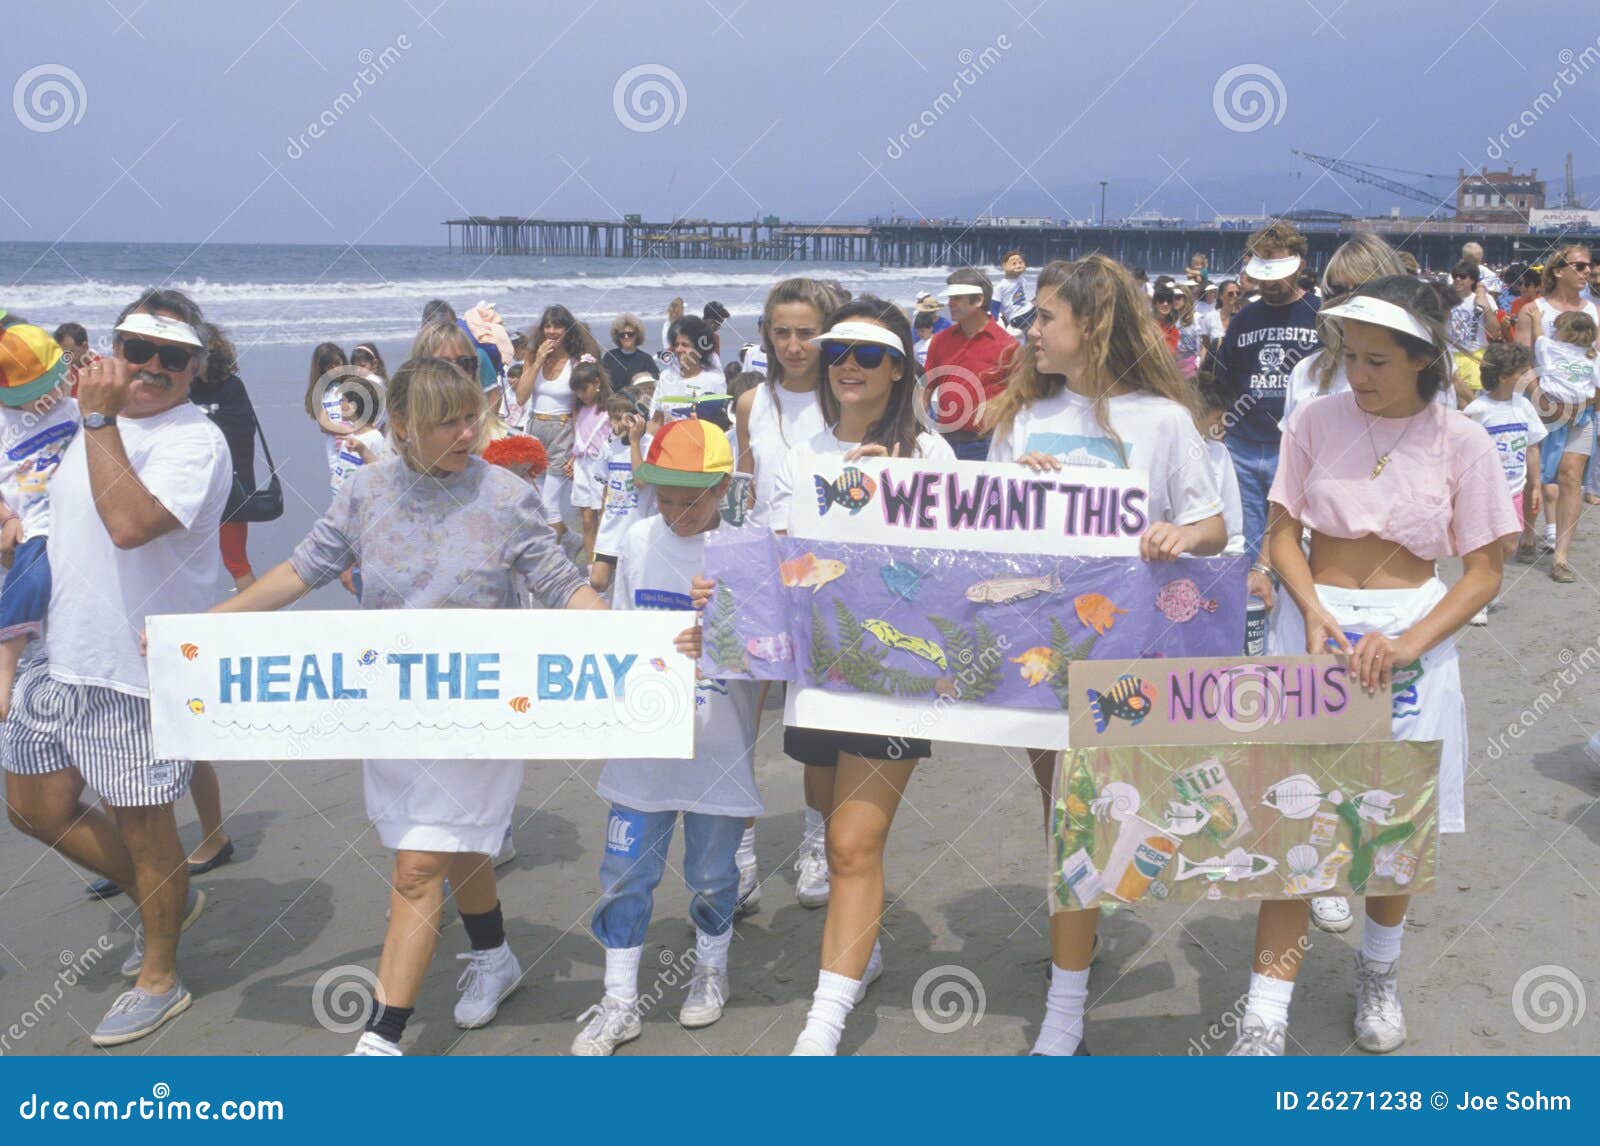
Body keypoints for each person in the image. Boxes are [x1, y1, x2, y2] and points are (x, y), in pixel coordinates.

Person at [213, 356, 606, 1056]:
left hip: (478, 704)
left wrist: (638, 644)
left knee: (418, 865)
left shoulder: (505, 494)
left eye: (471, 416)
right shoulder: (366, 492)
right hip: (392, 705)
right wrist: (215, 624)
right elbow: (303, 568)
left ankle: (382, 1037)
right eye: (446, 421)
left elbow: (559, 584)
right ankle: (493, 956)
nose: (467, 433)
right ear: (401, 427)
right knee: (455, 843)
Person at [1233, 276, 1516, 1056]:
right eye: (1351, 355)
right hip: (1312, 626)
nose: (1359, 374)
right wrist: (1313, 610)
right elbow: (1283, 530)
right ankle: (1265, 1011)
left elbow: (1485, 570)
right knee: (1294, 814)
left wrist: (1411, 642)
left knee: (1395, 823)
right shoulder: (1316, 421)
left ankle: (1379, 970)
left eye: (1379, 360)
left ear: (1426, 360)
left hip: (1410, 638)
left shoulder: (1464, 442)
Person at [985, 255, 1227, 1055]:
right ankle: (1081, 936)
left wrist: (1179, 535)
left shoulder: (1162, 420)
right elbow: (981, 528)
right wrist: (1015, 485)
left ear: (1090, 327)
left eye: (1045, 318)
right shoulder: (1023, 417)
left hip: (1125, 648)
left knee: (1080, 812)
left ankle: (1064, 1008)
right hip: (1036, 644)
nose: (1031, 332)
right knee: (1060, 805)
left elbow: (1213, 525)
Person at [3, 289, 231, 1047]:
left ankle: (160, 975)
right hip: (55, 651)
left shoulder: (193, 440)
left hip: (130, 668)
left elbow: (130, 526)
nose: (154, 367)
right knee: (32, 809)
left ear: (196, 369)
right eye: (139, 350)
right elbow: (43, 510)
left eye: (174, 358)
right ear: (114, 349)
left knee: (144, 821)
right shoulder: (76, 426)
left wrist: (99, 420)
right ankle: (165, 893)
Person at [742, 297, 954, 1056]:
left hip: (892, 675)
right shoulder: (799, 451)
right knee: (836, 837)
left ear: (899, 368)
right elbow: (771, 555)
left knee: (854, 846)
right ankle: (863, 946)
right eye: (838, 354)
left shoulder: (930, 457)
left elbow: (959, 571)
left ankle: (819, 1031)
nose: (849, 367)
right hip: (820, 673)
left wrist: (897, 494)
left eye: (868, 355)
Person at [571, 419, 762, 1055]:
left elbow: (776, 656)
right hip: (643, 745)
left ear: (722, 488)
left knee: (711, 874)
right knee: (625, 872)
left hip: (718, 747)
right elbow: (621, 633)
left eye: (692, 498)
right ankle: (619, 999)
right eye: (665, 496)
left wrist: (726, 635)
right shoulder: (637, 537)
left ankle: (711, 966)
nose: (677, 512)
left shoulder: (748, 551)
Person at [1215, 220, 1321, 582]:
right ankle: (1252, 621)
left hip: (1294, 448)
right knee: (1245, 541)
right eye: (1264, 274)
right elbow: (1222, 379)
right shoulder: (1244, 319)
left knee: (1291, 542)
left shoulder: (1320, 316)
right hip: (1241, 444)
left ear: (1300, 265)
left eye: (1278, 273)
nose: (1271, 284)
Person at [0, 325, 78, 718]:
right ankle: (5, 667)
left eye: (57, 383)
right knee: (30, 576)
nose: (53, 395)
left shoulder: (72, 408)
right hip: (29, 521)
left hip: (72, 516)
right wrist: (7, 517)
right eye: (38, 395)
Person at [1514, 244, 1598, 583]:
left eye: (1589, 266)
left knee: (1570, 477)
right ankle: (1529, 533)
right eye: (1579, 266)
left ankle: (1561, 557)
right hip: (1540, 408)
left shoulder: (1594, 311)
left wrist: (1590, 401)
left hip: (1582, 410)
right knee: (1534, 476)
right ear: (1558, 270)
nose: (1587, 272)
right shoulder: (1534, 311)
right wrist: (1543, 400)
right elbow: (1522, 362)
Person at [1464, 342, 1543, 625]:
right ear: (1503, 376)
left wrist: (1535, 485)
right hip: (1483, 490)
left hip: (1514, 488)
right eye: (1522, 371)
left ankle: (1487, 584)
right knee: (1483, 544)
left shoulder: (1524, 406)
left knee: (1509, 545)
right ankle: (1476, 599)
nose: (1527, 376)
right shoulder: (1478, 409)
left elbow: (1533, 447)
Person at [512, 306, 604, 545]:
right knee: (537, 499)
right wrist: (539, 360)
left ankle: (551, 562)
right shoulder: (534, 357)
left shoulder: (577, 361)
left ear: (567, 330)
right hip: (534, 428)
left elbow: (581, 407)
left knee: (550, 504)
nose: (551, 331)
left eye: (558, 326)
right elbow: (521, 397)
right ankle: (571, 542)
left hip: (563, 430)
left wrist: (576, 451)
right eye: (548, 326)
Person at [924, 267, 1019, 459]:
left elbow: (1019, 398)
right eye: (950, 298)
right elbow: (925, 388)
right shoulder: (940, 340)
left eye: (956, 298)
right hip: (943, 440)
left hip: (986, 442)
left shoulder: (1008, 345)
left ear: (978, 300)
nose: (949, 304)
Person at [591, 398, 650, 594]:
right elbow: (606, 488)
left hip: (635, 524)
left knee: (632, 585)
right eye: (612, 419)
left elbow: (641, 482)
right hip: (612, 525)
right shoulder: (609, 447)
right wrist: (601, 521)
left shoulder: (648, 445)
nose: (615, 425)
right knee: (598, 582)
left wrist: (634, 442)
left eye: (620, 418)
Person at [566, 357, 612, 563]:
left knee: (605, 517)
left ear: (597, 383)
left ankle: (606, 562)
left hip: (601, 466)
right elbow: (579, 436)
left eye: (583, 389)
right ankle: (591, 566)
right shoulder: (579, 408)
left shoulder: (609, 408)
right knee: (586, 520)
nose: (580, 395)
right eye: (576, 391)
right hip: (582, 465)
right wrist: (571, 460)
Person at [653, 314, 726, 425]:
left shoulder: (715, 381)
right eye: (676, 344)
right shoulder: (666, 377)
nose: (678, 349)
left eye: (685, 345)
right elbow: (656, 421)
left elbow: (720, 424)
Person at [1447, 259, 1501, 394]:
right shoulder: (1445, 299)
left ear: (1472, 280)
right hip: (1451, 354)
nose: (1458, 279)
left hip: (1474, 355)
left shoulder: (1484, 298)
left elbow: (1495, 331)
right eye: (1455, 277)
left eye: (1463, 277)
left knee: (1471, 400)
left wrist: (1485, 306)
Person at [303, 341, 351, 475]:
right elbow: (324, 425)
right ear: (322, 369)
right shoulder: (320, 394)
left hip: (356, 445)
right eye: (330, 366)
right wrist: (348, 430)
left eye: (338, 364)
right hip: (335, 449)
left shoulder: (350, 385)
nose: (336, 369)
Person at [601, 313, 660, 394]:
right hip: (615, 402)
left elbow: (656, 382)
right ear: (617, 337)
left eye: (630, 334)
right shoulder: (609, 357)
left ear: (637, 335)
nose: (626, 337)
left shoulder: (646, 359)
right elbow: (603, 382)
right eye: (622, 335)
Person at [995, 250, 1032, 334]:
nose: (1018, 265)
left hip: (1025, 312)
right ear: (1004, 266)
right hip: (1015, 317)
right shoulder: (1001, 287)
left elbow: (1023, 299)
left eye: (1020, 262)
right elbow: (995, 308)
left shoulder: (1023, 281)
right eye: (1014, 263)